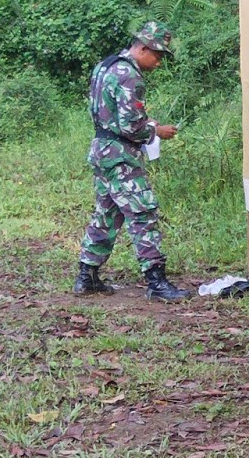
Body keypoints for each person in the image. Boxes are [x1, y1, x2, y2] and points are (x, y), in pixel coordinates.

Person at [74, 21, 188, 301]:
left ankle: (86, 276)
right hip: (121, 157)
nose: (159, 62)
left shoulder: (105, 66)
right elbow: (131, 126)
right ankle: (156, 282)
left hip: (102, 150)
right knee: (143, 214)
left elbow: (110, 115)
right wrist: (156, 130)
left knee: (107, 213)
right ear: (143, 48)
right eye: (157, 55)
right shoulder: (130, 76)